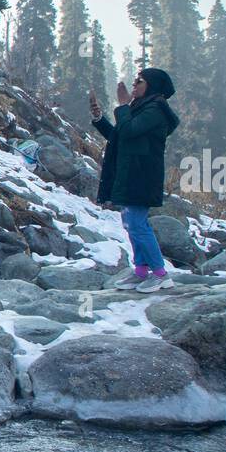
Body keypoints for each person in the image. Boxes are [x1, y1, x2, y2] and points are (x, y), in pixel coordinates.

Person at [89, 68, 181, 293]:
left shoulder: (155, 110)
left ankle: (160, 274)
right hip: (132, 174)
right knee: (131, 223)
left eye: (140, 81)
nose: (134, 84)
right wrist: (99, 119)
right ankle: (141, 271)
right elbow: (119, 136)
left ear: (152, 86)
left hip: (143, 176)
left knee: (138, 224)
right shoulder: (140, 108)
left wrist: (121, 105)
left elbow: (129, 130)